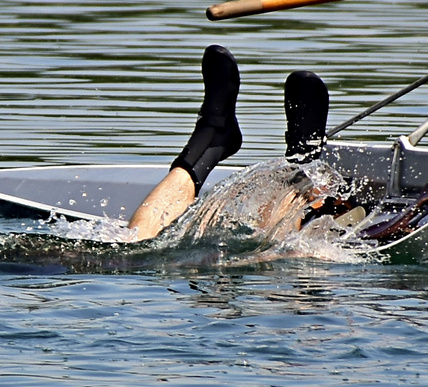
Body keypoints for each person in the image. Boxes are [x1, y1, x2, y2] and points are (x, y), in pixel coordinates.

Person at [126, 45, 330, 241]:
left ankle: (210, 141)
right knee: (272, 250)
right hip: (267, 270)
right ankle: (303, 167)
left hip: (172, 269)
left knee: (137, 242)